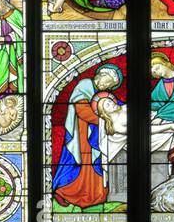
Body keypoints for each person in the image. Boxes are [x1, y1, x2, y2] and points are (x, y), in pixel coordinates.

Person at [53, 64, 124, 209]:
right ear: (101, 75)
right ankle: (63, 192)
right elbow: (81, 109)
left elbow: (116, 106)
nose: (108, 86)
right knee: (81, 163)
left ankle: (97, 196)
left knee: (96, 163)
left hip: (97, 134)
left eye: (111, 85)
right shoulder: (85, 84)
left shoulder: (104, 95)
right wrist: (106, 119)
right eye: (108, 81)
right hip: (82, 133)